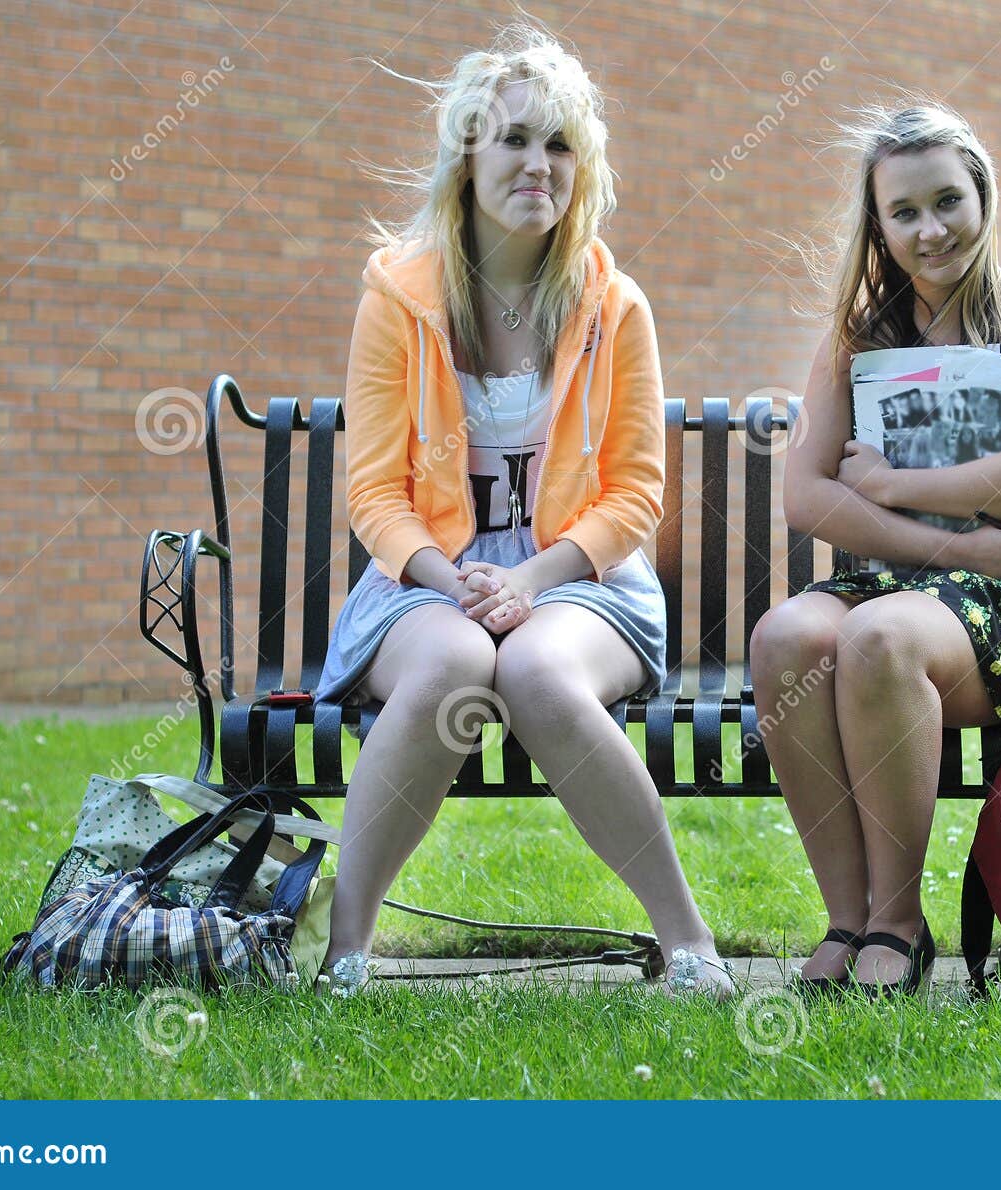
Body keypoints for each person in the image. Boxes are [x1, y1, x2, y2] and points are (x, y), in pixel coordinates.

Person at [315, 26, 732, 998]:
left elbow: (635, 494)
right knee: (458, 659)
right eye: (511, 140)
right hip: (426, 576)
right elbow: (375, 489)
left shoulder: (612, 304)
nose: (536, 164)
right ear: (466, 155)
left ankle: (689, 949)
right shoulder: (400, 296)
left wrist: (531, 579)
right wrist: (448, 578)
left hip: (579, 581)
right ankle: (343, 955)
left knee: (539, 671)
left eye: (558, 144)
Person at [749, 98, 1001, 997]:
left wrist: (898, 483)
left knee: (884, 639)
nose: (929, 229)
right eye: (903, 212)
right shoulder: (863, 333)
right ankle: (848, 914)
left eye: (947, 201)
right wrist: (955, 548)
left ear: (982, 196)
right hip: (911, 573)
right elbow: (807, 495)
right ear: (879, 224)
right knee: (786, 636)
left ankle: (899, 926)